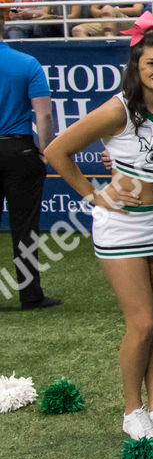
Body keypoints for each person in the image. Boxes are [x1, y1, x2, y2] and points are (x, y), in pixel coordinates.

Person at [44, 16, 153, 438]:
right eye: (152, 64)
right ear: (136, 66)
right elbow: (57, 150)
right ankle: (132, 410)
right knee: (141, 321)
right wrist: (94, 195)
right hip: (123, 225)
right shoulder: (118, 108)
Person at [0, 17, 57, 309]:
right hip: (19, 149)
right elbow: (44, 115)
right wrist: (46, 150)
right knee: (25, 227)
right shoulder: (27, 63)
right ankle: (30, 293)